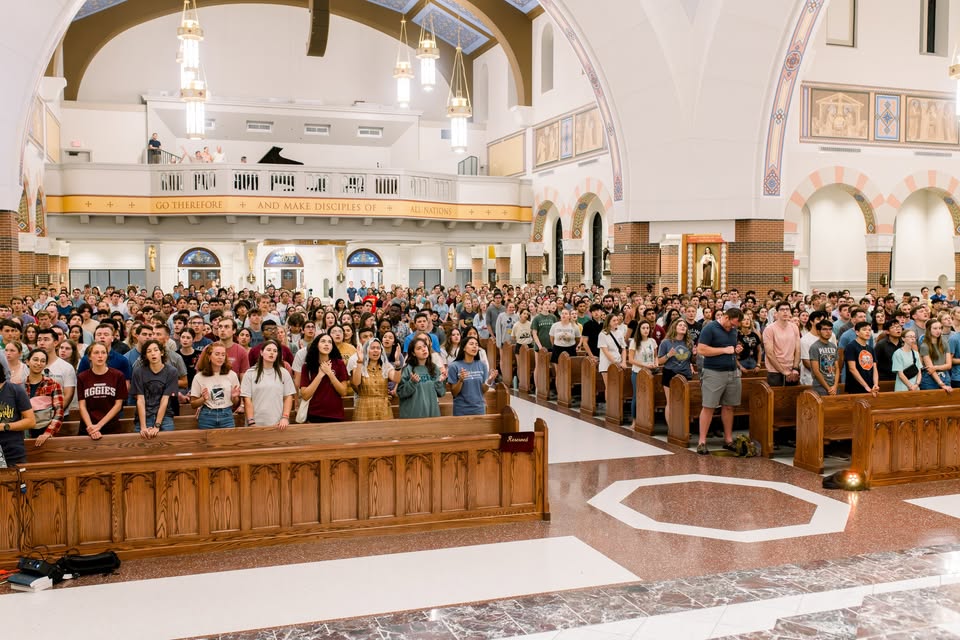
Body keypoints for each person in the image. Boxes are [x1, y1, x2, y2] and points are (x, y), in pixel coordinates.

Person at [695, 308, 742, 455]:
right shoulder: (710, 328)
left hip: (732, 372)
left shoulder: (733, 330)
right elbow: (701, 350)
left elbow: (730, 348)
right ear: (726, 317)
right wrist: (724, 350)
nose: (733, 328)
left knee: (729, 406)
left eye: (735, 326)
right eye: (731, 324)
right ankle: (702, 442)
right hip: (713, 372)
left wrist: (736, 349)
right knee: (708, 406)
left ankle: (728, 440)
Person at [76, 342, 128, 439]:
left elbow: (118, 405)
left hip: (110, 427)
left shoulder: (118, 375)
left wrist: (99, 426)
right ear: (90, 357)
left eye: (103, 353)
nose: (100, 356)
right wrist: (91, 427)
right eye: (96, 353)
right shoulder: (82, 377)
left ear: (107, 355)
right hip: (88, 428)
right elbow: (82, 406)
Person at [241, 339, 296, 429]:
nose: (272, 353)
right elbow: (247, 399)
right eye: (269, 350)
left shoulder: (284, 373)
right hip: (255, 423)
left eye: (275, 351)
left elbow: (288, 396)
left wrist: (285, 417)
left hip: (278, 424)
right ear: (261, 352)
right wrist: (251, 422)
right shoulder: (250, 373)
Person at [130, 340, 179, 438]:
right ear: (145, 356)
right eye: (149, 351)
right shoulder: (138, 372)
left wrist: (157, 425)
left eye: (156, 350)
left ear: (161, 352)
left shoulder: (171, 372)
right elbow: (140, 400)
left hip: (165, 416)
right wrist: (143, 427)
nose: (153, 353)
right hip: (144, 415)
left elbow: (165, 400)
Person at [190, 343, 241, 430]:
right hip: (207, 416)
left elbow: (235, 403)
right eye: (217, 354)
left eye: (223, 355)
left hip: (227, 415)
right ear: (209, 356)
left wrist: (235, 397)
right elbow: (193, 404)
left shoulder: (232, 375)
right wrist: (203, 399)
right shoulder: (199, 377)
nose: (220, 357)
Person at [299, 334, 348, 423]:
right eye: (323, 341)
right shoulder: (307, 367)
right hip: (314, 414)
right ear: (316, 345)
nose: (326, 344)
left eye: (329, 342)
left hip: (336, 414)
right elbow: (305, 395)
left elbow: (344, 392)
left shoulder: (339, 364)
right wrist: (320, 375)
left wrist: (330, 374)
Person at [447, 336, 497, 416]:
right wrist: (461, 380)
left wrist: (489, 380)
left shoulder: (482, 365)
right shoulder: (454, 366)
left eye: (476, 344)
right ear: (463, 348)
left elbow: (483, 390)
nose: (474, 346)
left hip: (479, 408)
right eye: (471, 344)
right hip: (461, 409)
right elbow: (454, 393)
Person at [397, 336, 446, 418]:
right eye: (419, 348)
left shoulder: (434, 368)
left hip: (432, 413)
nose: (423, 349)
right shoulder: (408, 369)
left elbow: (441, 393)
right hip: (413, 415)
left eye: (424, 346)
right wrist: (411, 383)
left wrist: (439, 381)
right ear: (413, 353)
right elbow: (400, 393)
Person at [350, 338, 399, 421]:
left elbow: (396, 379)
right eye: (372, 348)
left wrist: (397, 362)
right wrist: (360, 362)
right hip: (364, 408)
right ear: (367, 350)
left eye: (378, 348)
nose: (376, 350)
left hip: (383, 409)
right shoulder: (358, 366)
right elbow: (356, 382)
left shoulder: (386, 366)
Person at [658, 318, 694, 426]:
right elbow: (659, 361)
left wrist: (695, 356)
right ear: (675, 327)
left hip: (685, 374)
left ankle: (682, 427)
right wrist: (669, 355)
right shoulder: (666, 342)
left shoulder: (689, 342)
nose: (683, 327)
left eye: (685, 326)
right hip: (670, 373)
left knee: (683, 402)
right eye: (680, 325)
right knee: (671, 402)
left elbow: (691, 360)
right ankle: (671, 427)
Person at [24, 348, 64, 444]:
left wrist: (47, 433)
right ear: (27, 362)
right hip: (24, 433)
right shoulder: (19, 386)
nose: (39, 363)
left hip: (46, 433)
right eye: (35, 359)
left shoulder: (53, 384)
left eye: (42, 361)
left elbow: (59, 412)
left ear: (46, 364)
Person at [0, 365, 36, 466]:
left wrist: (5, 426)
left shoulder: (15, 390)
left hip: (12, 452)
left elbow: (31, 421)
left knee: (16, 481)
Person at [763, 301, 801, 386]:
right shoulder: (769, 329)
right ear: (776, 313)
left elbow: (797, 350)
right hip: (775, 371)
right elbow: (769, 353)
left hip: (792, 369)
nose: (785, 312)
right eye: (782, 309)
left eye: (787, 309)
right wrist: (783, 371)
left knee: (792, 397)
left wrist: (795, 368)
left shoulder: (794, 327)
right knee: (776, 398)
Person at [628, 319, 657, 422]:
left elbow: (655, 356)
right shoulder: (634, 342)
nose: (646, 330)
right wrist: (644, 365)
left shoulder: (652, 341)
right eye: (643, 328)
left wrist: (655, 363)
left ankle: (646, 418)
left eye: (647, 328)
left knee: (649, 396)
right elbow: (630, 359)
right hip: (638, 372)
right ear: (639, 329)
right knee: (637, 396)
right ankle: (634, 420)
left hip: (650, 372)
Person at [844, 322, 879, 396]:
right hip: (856, 387)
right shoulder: (851, 347)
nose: (868, 332)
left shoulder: (870, 349)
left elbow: (874, 368)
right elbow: (852, 368)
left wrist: (875, 384)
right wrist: (866, 386)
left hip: (871, 386)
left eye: (869, 330)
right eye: (864, 330)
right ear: (857, 332)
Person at [919, 320, 953, 392]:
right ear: (928, 330)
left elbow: (949, 365)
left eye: (940, 328)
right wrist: (941, 384)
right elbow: (930, 369)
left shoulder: (944, 342)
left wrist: (936, 367)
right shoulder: (924, 346)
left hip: (944, 376)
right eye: (935, 328)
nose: (938, 331)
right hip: (930, 379)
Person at [808, 321, 839, 396]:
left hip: (833, 385)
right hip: (820, 386)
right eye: (825, 329)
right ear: (818, 331)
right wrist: (828, 388)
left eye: (830, 329)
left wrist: (835, 386)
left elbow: (837, 368)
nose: (828, 332)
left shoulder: (833, 346)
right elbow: (816, 371)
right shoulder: (814, 347)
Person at [597, 313, 625, 387]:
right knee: (609, 387)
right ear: (608, 322)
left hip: (618, 362)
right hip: (607, 364)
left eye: (617, 320)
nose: (616, 322)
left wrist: (624, 362)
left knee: (617, 387)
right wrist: (615, 363)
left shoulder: (619, 332)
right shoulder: (603, 334)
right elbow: (606, 351)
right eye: (614, 320)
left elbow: (623, 348)